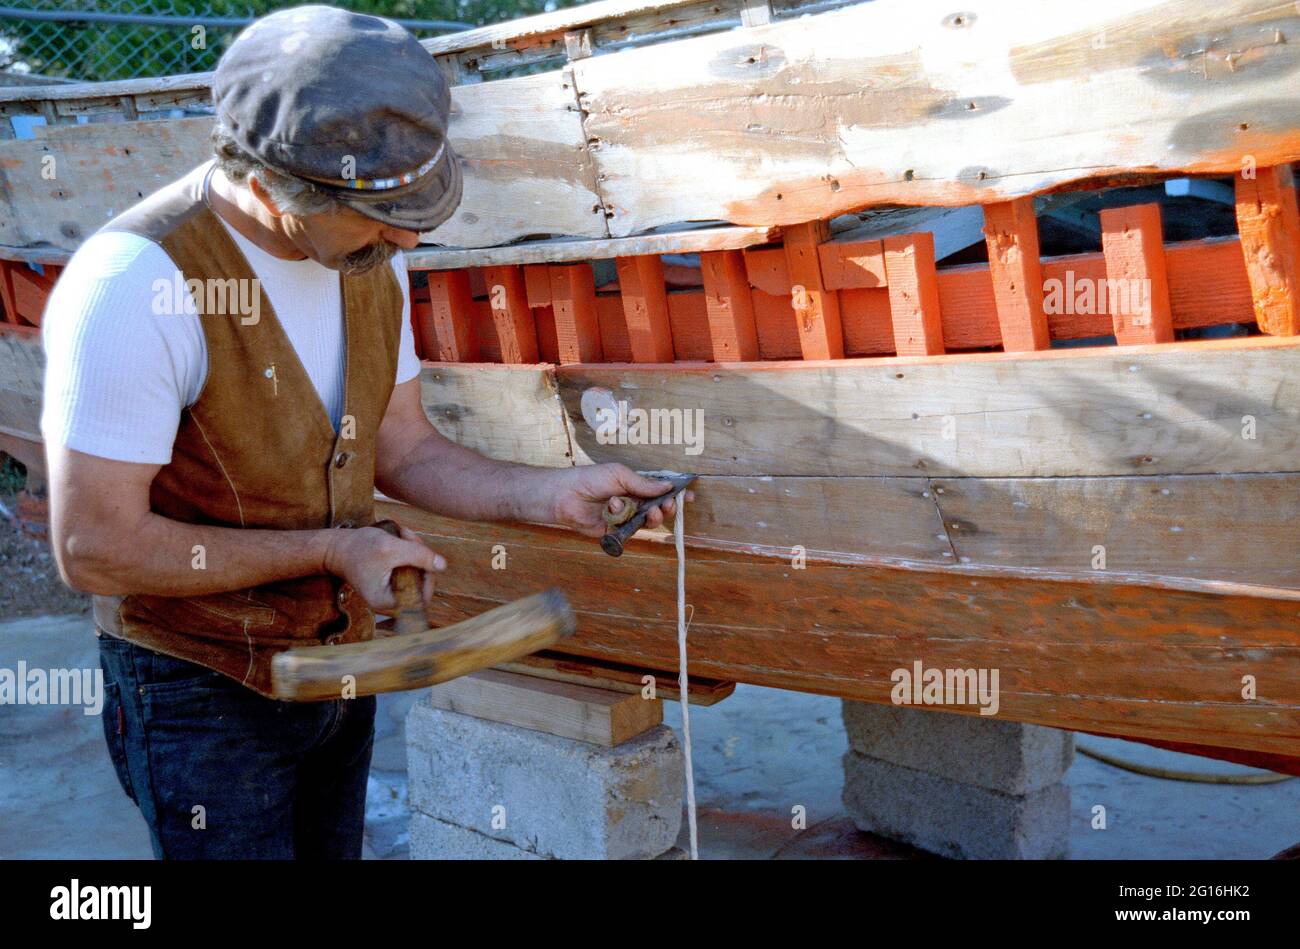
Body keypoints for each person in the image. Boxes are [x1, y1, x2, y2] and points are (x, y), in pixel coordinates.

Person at [40, 4, 680, 859]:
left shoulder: (367, 250)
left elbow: (404, 448)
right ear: (270, 187)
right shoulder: (135, 285)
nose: (409, 235)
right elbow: (94, 547)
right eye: (383, 219)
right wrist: (332, 552)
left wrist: (552, 493)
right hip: (200, 691)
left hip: (338, 669)